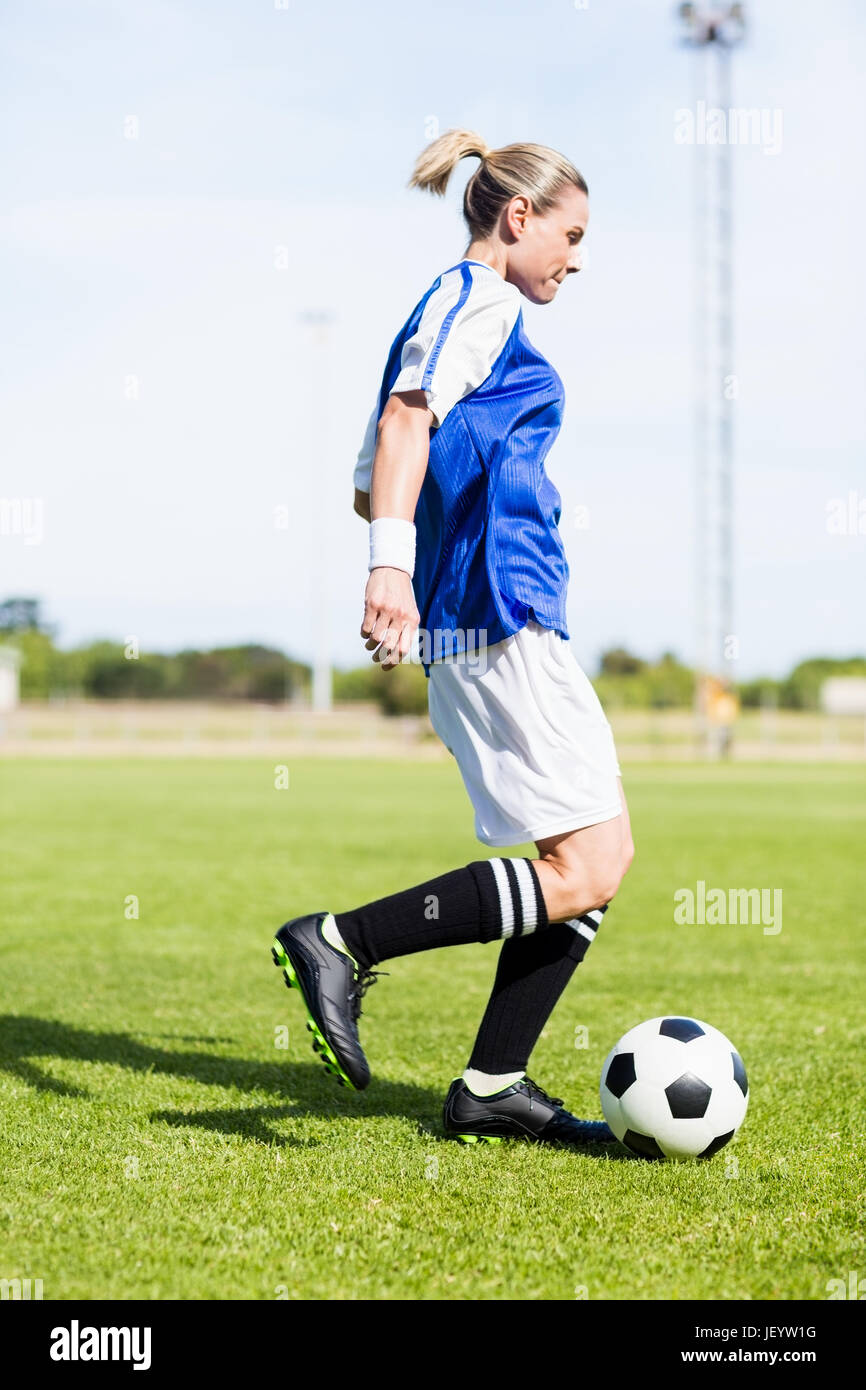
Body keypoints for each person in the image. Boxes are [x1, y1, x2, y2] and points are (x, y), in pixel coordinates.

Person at [271, 128, 635, 1148]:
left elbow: (377, 465)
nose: (575, 255)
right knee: (588, 864)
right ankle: (339, 941)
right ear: (516, 218)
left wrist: (402, 539)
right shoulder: (477, 299)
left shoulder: (446, 316)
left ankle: (490, 1081)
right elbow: (399, 427)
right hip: (495, 607)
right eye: (569, 233)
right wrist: (394, 564)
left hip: (493, 607)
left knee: (594, 853)